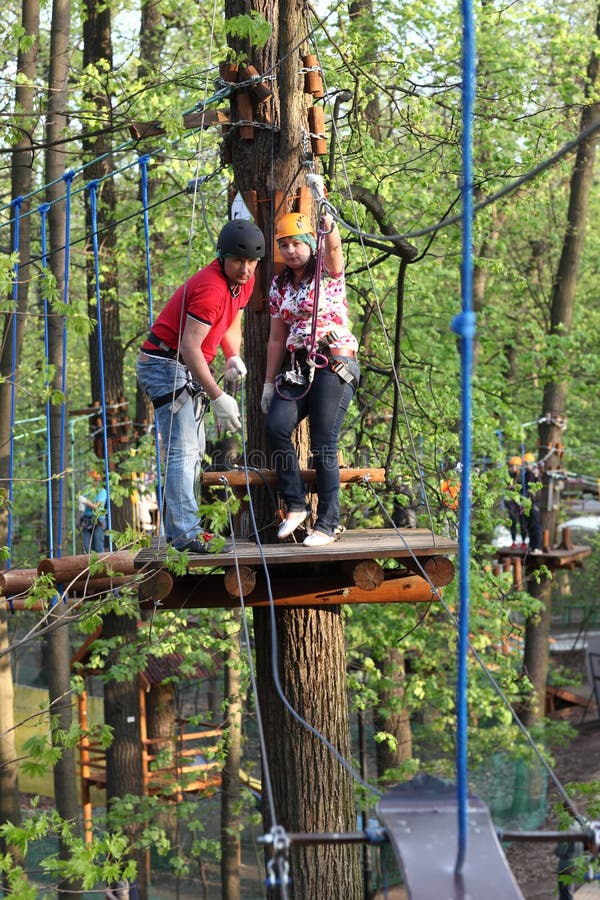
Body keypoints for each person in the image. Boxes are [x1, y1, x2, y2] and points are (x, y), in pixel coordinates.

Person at [136, 219, 265, 553]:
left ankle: (185, 529)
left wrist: (231, 355)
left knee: (195, 453)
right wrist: (219, 396)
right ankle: (184, 533)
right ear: (222, 257)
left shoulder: (242, 284)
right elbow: (189, 347)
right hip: (165, 365)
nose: (246, 269)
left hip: (185, 367)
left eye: (252, 262)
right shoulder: (210, 287)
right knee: (184, 451)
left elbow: (232, 319)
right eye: (238, 261)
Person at [261, 210, 360, 546]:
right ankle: (296, 504)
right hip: (298, 365)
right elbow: (276, 337)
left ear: (309, 243)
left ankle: (328, 524)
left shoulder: (327, 272)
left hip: (332, 360)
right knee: (275, 426)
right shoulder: (278, 285)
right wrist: (267, 382)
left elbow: (334, 249)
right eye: (284, 245)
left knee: (322, 443)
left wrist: (328, 222)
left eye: (297, 243)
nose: (290, 250)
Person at [79, 469, 108, 553]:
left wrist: (85, 501)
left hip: (98, 520)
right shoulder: (86, 489)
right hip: (86, 519)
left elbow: (97, 507)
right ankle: (88, 565)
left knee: (98, 547)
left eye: (95, 480)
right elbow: (81, 505)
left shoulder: (102, 491)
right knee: (86, 547)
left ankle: (101, 565)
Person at [506, 455, 527, 549]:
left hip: (520, 501)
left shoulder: (522, 476)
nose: (513, 468)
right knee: (513, 521)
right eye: (512, 466)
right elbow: (505, 486)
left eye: (515, 466)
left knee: (523, 523)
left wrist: (514, 487)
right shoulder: (508, 475)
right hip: (511, 502)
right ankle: (513, 541)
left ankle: (523, 541)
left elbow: (524, 488)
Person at [523, 451, 543, 554]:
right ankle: (531, 545)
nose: (526, 466)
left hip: (535, 502)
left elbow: (538, 486)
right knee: (529, 525)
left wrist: (536, 476)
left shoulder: (536, 473)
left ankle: (538, 547)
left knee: (536, 525)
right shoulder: (526, 474)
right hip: (528, 502)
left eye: (527, 464)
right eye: (525, 464)